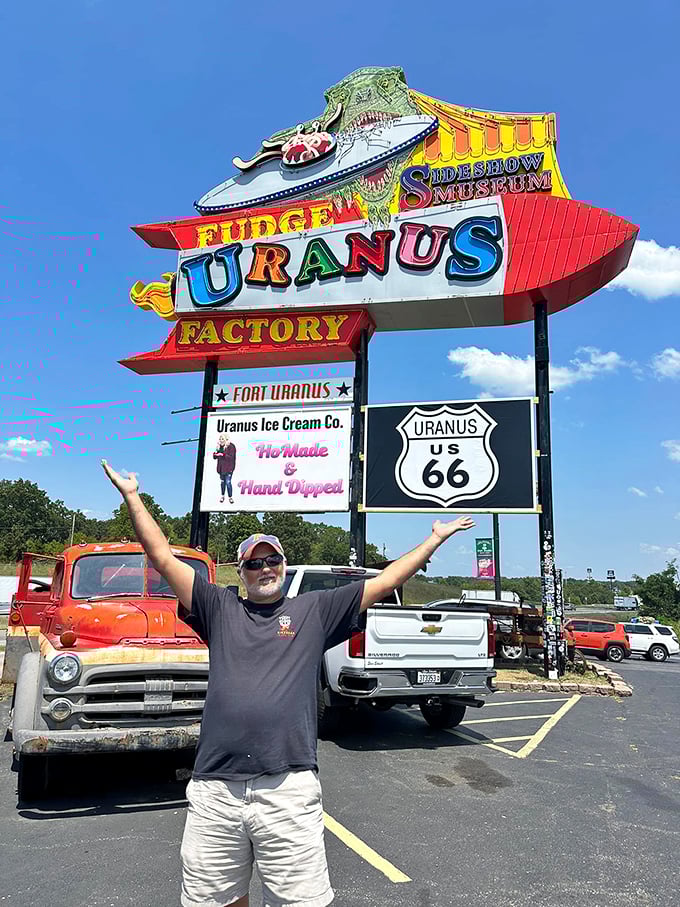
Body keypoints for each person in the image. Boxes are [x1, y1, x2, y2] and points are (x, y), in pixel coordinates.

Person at [101, 459, 474, 907]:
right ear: (239, 572)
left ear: (283, 565)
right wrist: (133, 498)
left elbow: (388, 579)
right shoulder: (218, 607)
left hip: (288, 788)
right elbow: (162, 556)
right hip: (216, 788)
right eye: (254, 563)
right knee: (213, 900)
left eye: (272, 559)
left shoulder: (313, 611)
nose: (264, 568)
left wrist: (434, 538)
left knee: (301, 902)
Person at [214, 434, 236, 504]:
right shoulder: (219, 447)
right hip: (221, 468)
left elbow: (231, 457)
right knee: (222, 482)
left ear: (226, 439)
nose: (221, 441)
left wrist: (223, 455)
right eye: (220, 439)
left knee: (228, 482)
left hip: (229, 468)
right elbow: (214, 457)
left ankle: (230, 497)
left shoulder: (231, 446)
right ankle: (222, 495)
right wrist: (215, 454)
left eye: (222, 439)